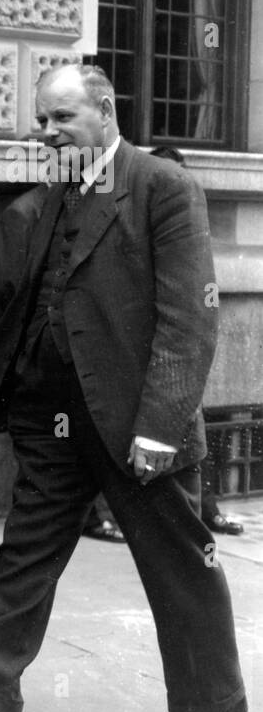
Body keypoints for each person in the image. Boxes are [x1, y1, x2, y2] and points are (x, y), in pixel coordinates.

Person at [0, 65, 247, 712]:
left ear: (105, 110)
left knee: (179, 566)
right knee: (23, 562)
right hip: (49, 421)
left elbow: (189, 320)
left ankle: (214, 701)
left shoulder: (163, 187)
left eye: (62, 118)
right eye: (41, 119)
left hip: (136, 424)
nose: (48, 132)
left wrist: (160, 427)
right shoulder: (46, 200)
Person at [0, 182, 125, 545]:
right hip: (41, 359)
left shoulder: (96, 205)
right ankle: (92, 517)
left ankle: (95, 515)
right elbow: (12, 288)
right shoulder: (25, 212)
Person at [148, 146, 242, 537]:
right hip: (156, 354)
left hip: (186, 350)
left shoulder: (187, 216)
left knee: (193, 442)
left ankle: (206, 510)